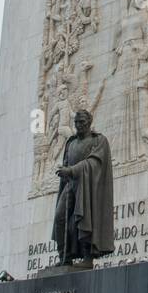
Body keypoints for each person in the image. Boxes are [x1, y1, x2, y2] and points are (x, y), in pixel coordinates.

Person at [53, 111, 114, 268]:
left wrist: (72, 170)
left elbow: (94, 163)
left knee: (86, 218)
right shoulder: (71, 143)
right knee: (60, 217)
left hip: (88, 187)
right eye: (77, 122)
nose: (79, 125)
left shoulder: (98, 141)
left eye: (82, 122)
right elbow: (67, 162)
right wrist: (64, 169)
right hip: (71, 184)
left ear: (89, 122)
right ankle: (64, 256)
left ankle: (88, 258)